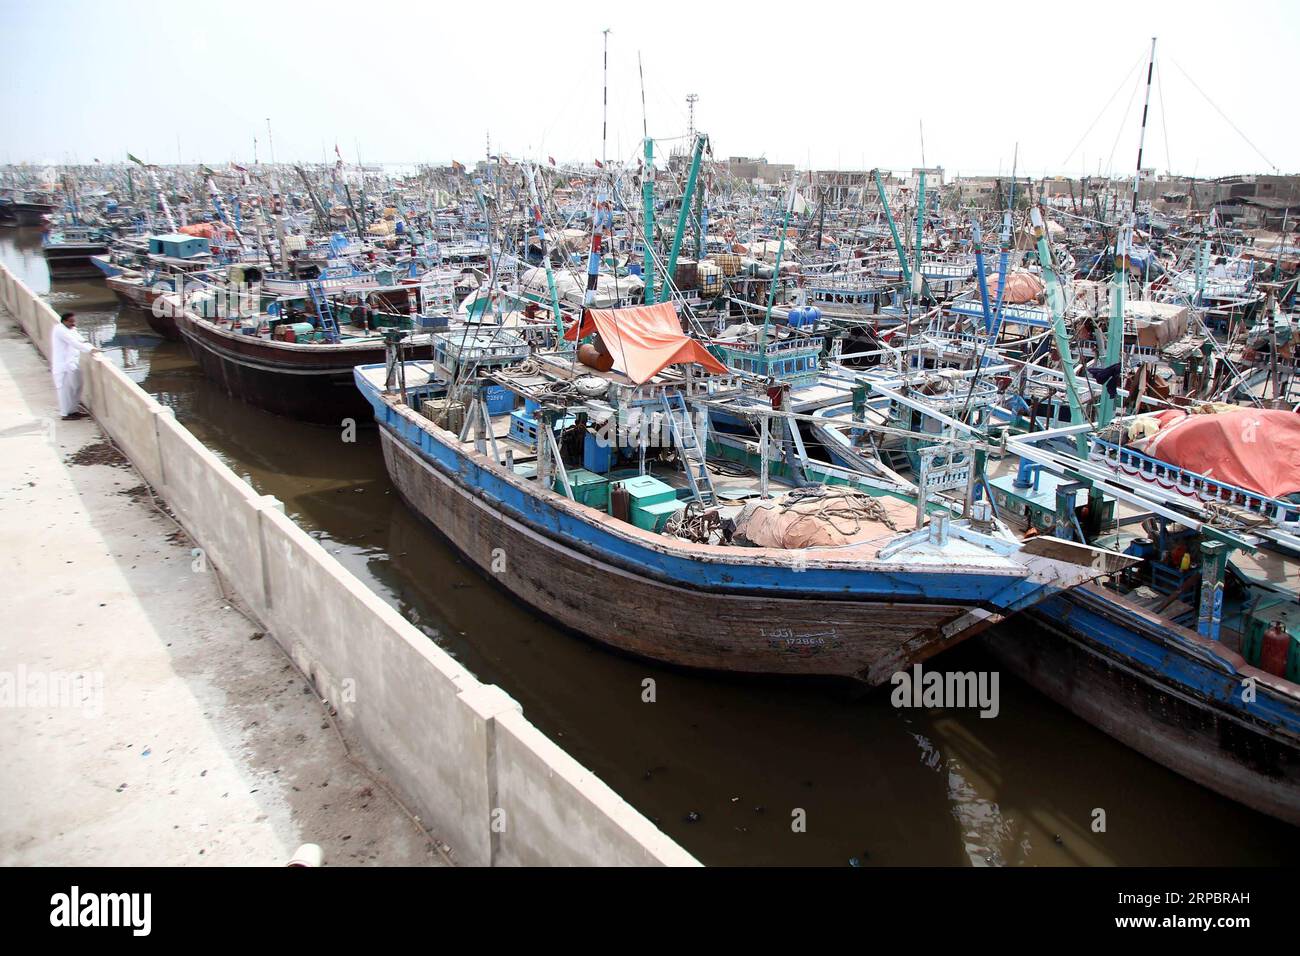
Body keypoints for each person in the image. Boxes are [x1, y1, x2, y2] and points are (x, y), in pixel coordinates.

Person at [50, 312, 98, 420]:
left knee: (76, 387)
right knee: (65, 390)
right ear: (64, 321)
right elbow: (73, 342)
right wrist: (90, 349)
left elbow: (80, 340)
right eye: (71, 321)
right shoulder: (60, 330)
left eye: (74, 321)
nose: (73, 323)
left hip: (71, 364)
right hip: (63, 366)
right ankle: (65, 414)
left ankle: (73, 410)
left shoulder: (71, 329)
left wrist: (88, 345)